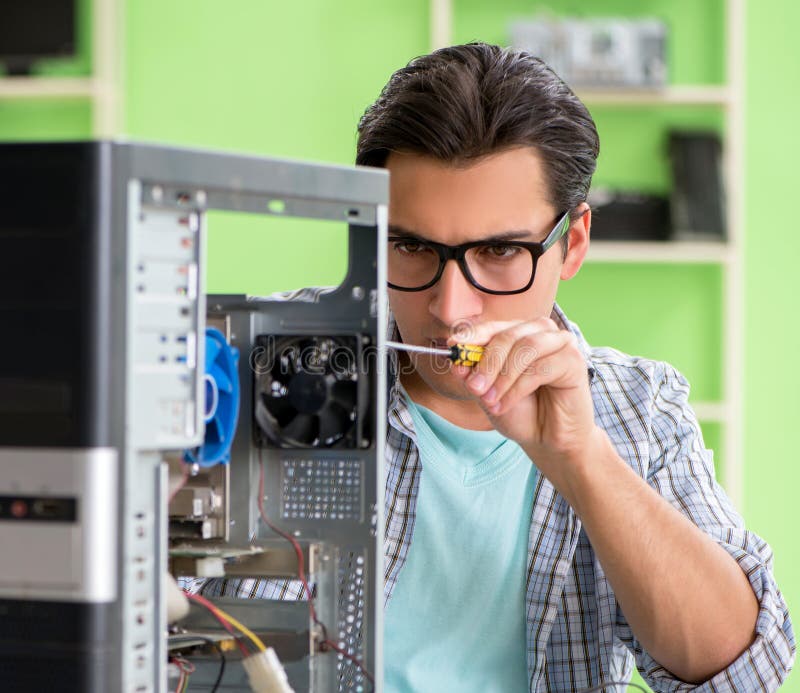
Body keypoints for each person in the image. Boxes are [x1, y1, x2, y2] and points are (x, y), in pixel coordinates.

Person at [203, 43, 796, 691]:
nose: (450, 306)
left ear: (572, 244)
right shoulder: (261, 360)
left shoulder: (639, 406)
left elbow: (744, 674)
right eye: (408, 245)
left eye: (499, 251)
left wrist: (582, 458)